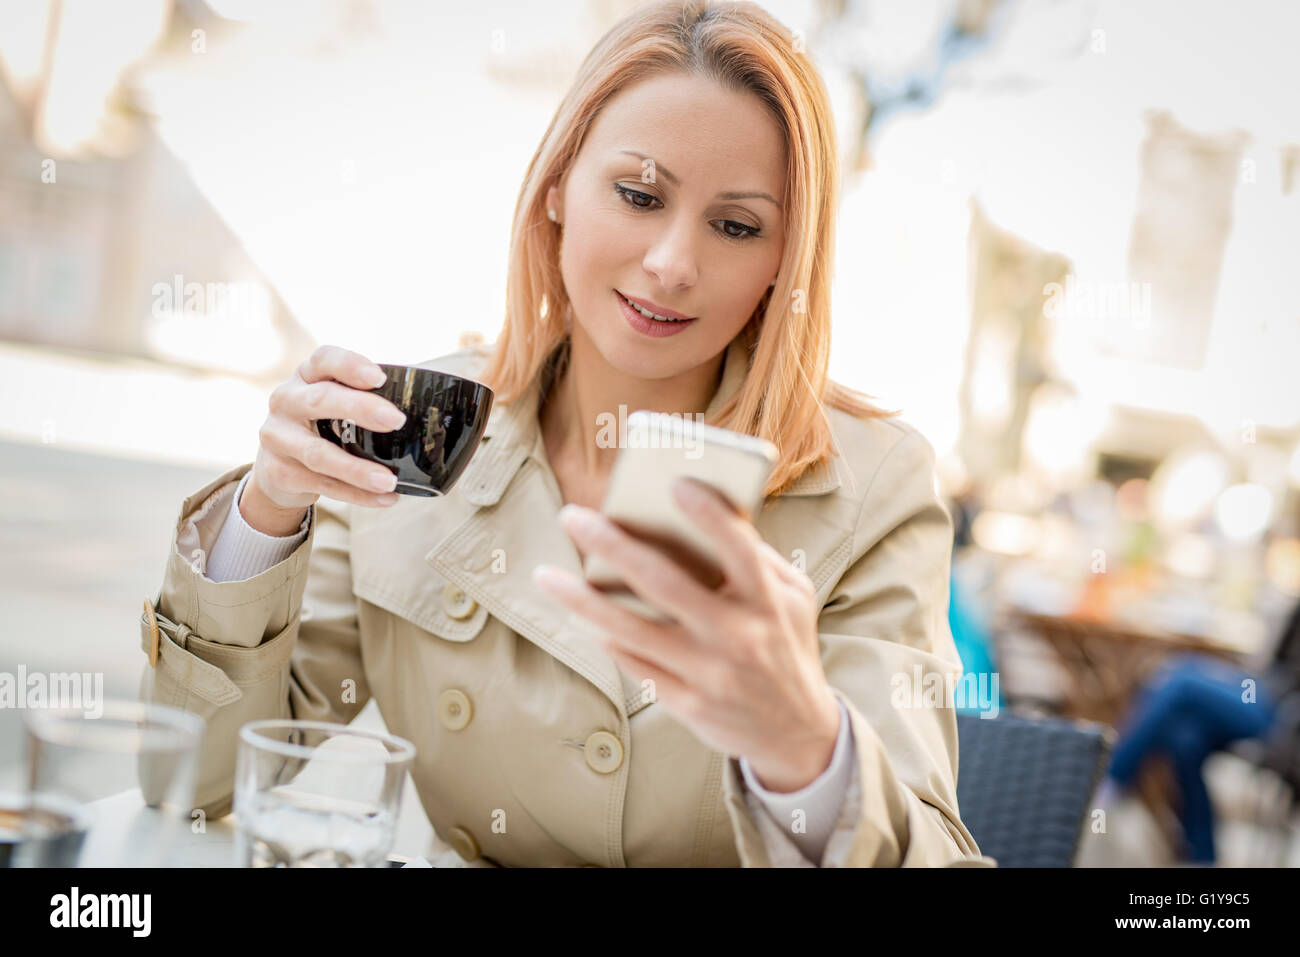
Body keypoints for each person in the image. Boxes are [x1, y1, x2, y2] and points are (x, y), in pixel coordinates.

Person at [137, 0, 987, 867]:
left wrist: (802, 744)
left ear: (783, 260)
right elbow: (193, 790)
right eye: (639, 194)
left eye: (736, 225)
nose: (672, 263)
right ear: (555, 187)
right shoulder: (423, 427)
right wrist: (265, 511)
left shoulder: (871, 484)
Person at [1094, 598, 1300, 864]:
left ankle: (1111, 781)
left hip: (1283, 718)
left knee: (1183, 679)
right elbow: (1274, 663)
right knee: (1185, 737)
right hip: (1261, 691)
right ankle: (1202, 857)